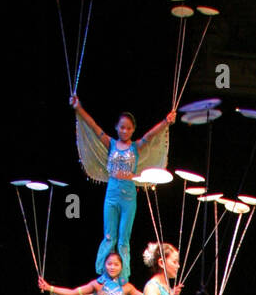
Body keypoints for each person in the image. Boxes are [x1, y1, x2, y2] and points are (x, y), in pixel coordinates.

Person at [70, 97, 176, 280]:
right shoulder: (110, 143)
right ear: (116, 128)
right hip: (112, 193)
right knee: (110, 235)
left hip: (128, 196)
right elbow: (93, 127)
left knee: (123, 238)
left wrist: (166, 121)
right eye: (122, 127)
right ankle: (104, 273)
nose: (124, 130)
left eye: (128, 128)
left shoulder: (135, 147)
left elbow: (151, 136)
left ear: (133, 130)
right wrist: (78, 108)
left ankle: (123, 276)